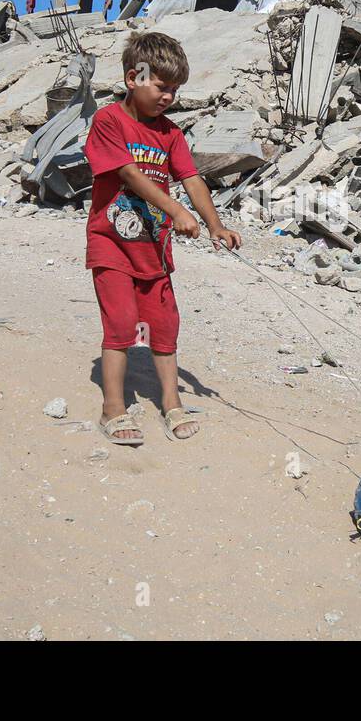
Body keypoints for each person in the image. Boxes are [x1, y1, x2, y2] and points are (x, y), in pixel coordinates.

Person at [83, 31, 242, 446]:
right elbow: (129, 174)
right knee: (120, 323)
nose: (169, 96)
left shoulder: (171, 134)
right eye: (161, 86)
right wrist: (174, 210)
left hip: (154, 248)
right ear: (133, 77)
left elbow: (191, 178)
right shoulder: (107, 122)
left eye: (175, 89)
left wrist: (214, 224)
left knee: (164, 325)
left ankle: (172, 401)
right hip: (112, 243)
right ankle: (113, 407)